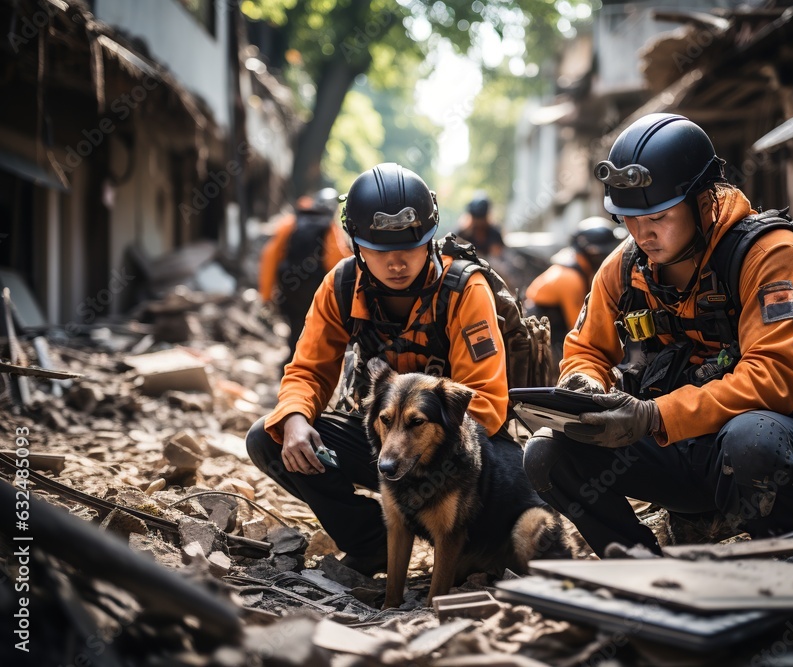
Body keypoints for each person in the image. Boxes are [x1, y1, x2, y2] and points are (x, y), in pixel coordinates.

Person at [522, 114, 793, 557]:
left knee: (751, 441)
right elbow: (586, 348)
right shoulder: (625, 267)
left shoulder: (773, 256)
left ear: (703, 201)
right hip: (694, 453)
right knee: (547, 452)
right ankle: (638, 568)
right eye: (628, 218)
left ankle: (784, 564)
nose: (642, 234)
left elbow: (773, 382)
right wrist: (584, 386)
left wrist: (650, 416)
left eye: (660, 217)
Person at [245, 163, 510, 576]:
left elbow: (487, 406)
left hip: (457, 449)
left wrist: (419, 451)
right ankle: (372, 543)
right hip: (386, 444)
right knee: (268, 437)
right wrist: (295, 419)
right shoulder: (340, 285)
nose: (397, 263)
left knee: (499, 533)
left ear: (432, 240)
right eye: (380, 251)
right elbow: (309, 371)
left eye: (411, 247)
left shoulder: (465, 290)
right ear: (355, 245)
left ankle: (463, 544)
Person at [258, 188, 351, 367]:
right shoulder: (330, 228)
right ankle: (302, 366)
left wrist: (266, 294)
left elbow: (270, 256)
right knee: (312, 329)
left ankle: (293, 362)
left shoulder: (291, 221)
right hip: (314, 292)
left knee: (295, 327)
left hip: (288, 290)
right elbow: (338, 262)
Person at [525, 217, 625, 364]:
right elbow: (579, 329)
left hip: (550, 336)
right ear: (592, 253)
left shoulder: (574, 268)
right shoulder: (570, 279)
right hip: (543, 345)